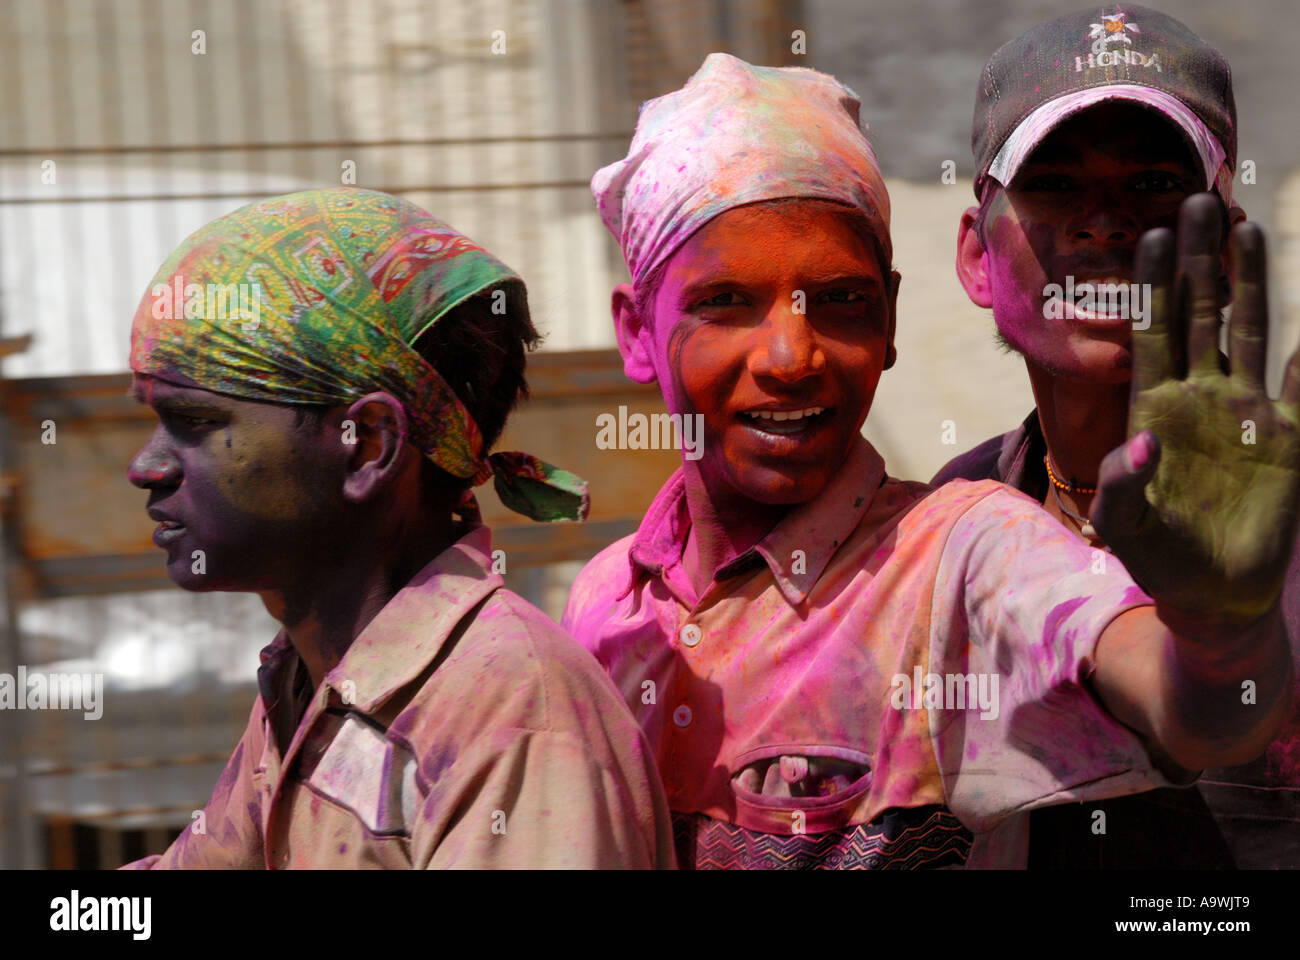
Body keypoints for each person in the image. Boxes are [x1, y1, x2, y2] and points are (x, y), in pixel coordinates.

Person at [562, 52, 1298, 869]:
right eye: (725, 302)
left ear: (891, 319)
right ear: (635, 332)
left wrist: (1221, 636)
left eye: (841, 300)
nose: (790, 355)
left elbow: (1190, 706)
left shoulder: (966, 546)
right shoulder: (607, 603)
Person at [119, 187, 674, 869]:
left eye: (197, 422)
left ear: (367, 445)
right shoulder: (312, 676)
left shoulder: (511, 716)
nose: (145, 466)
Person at [934, 4, 1300, 868]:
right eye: (1054, 184)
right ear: (978, 257)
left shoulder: (1279, 509)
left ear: (1228, 251)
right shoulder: (953, 517)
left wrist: (1227, 633)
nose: (1103, 223)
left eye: (1153, 185)